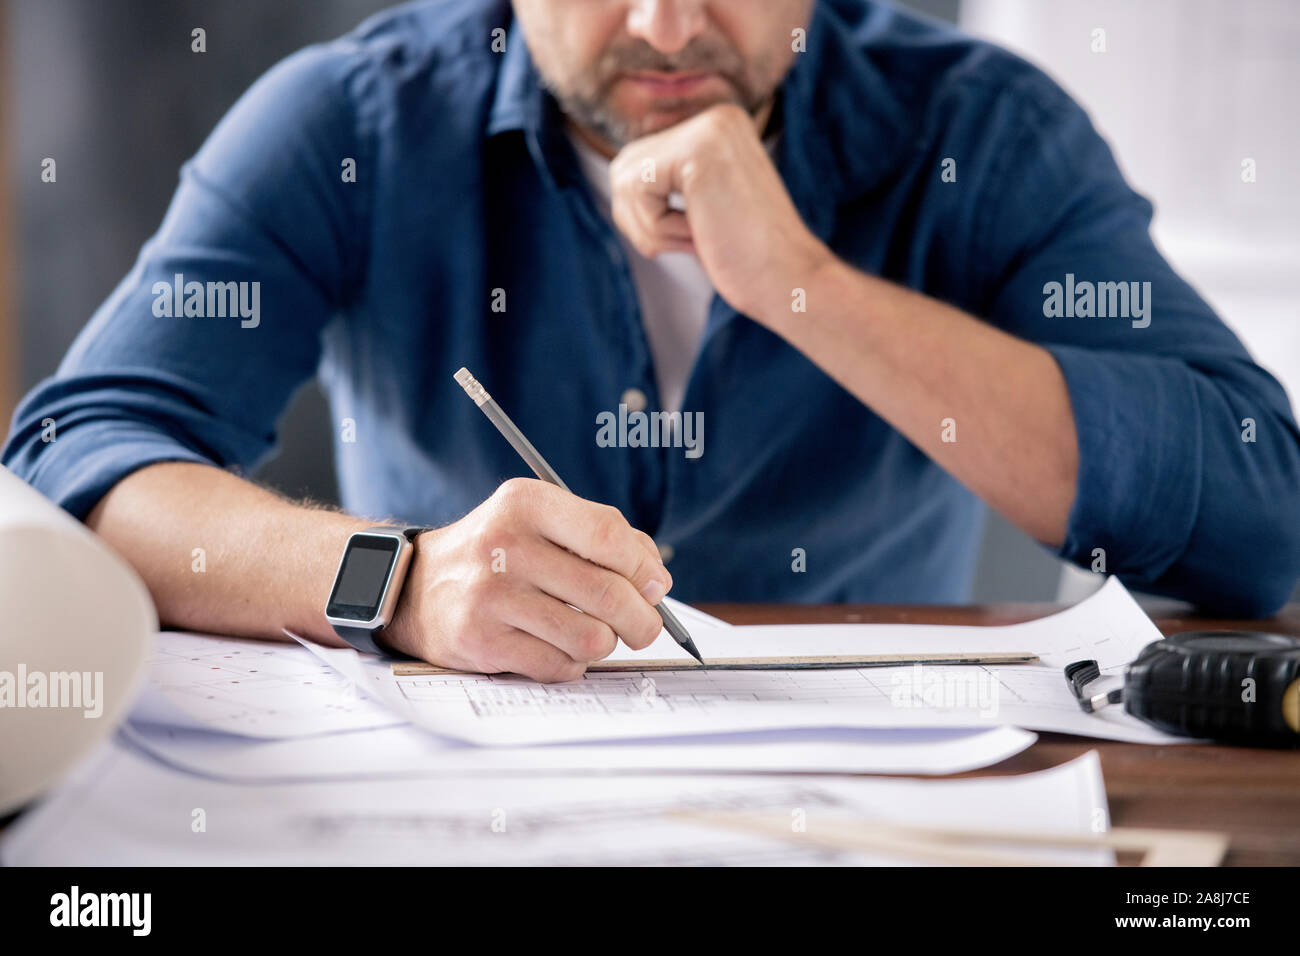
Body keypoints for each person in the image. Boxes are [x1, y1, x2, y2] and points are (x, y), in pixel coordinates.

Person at [5, 0, 1299, 681]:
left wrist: (805, 287)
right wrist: (396, 581)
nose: (670, 27)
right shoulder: (348, 122)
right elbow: (72, 462)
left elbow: (1261, 517)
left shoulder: (986, 132)